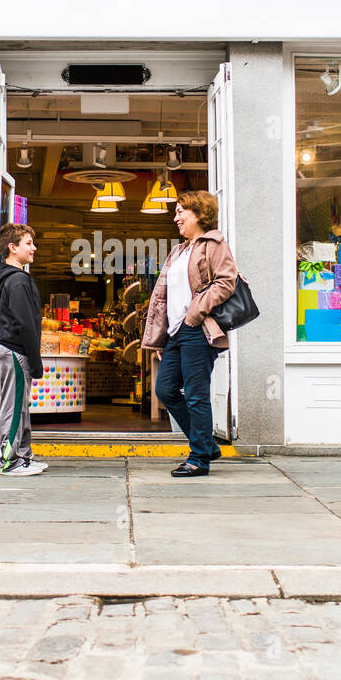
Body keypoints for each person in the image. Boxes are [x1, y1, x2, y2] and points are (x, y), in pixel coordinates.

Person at [141, 190, 238, 477]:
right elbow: (165, 295)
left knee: (196, 394)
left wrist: (196, 312)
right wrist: (163, 334)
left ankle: (199, 459)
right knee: (165, 389)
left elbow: (226, 281)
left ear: (199, 213)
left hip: (197, 328)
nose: (176, 217)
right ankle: (206, 444)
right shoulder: (180, 250)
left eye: (181, 210)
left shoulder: (214, 243)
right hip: (176, 332)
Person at [0, 223, 47, 476]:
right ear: (13, 248)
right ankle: (10, 461)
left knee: (19, 405)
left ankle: (22, 456)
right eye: (28, 243)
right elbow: (26, 323)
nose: (34, 248)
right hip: (16, 350)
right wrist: (35, 360)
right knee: (13, 406)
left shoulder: (14, 278)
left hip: (13, 350)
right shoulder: (18, 281)